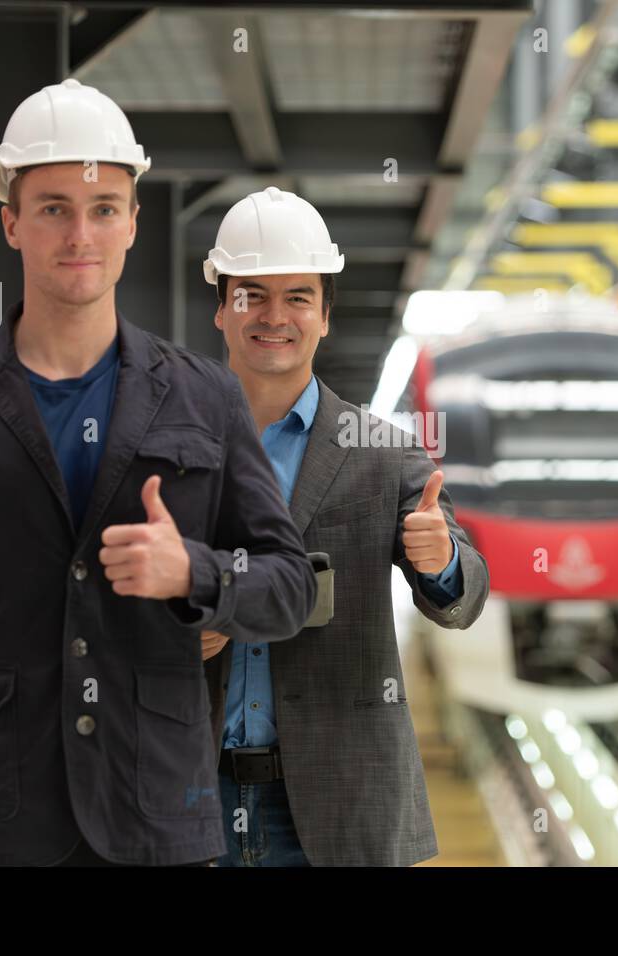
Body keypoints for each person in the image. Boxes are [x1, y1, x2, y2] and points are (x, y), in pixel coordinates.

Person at [0, 82, 315, 867]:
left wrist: (195, 572)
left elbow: (290, 585)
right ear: (12, 222)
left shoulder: (205, 396)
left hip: (154, 812)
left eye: (104, 208)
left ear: (133, 221)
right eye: (54, 208)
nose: (81, 233)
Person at [201, 187, 490, 866]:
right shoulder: (170, 444)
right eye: (252, 295)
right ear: (222, 309)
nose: (275, 316)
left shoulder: (382, 452)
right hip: (192, 799)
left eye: (298, 296)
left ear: (325, 317)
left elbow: (465, 598)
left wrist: (440, 560)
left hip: (339, 809)